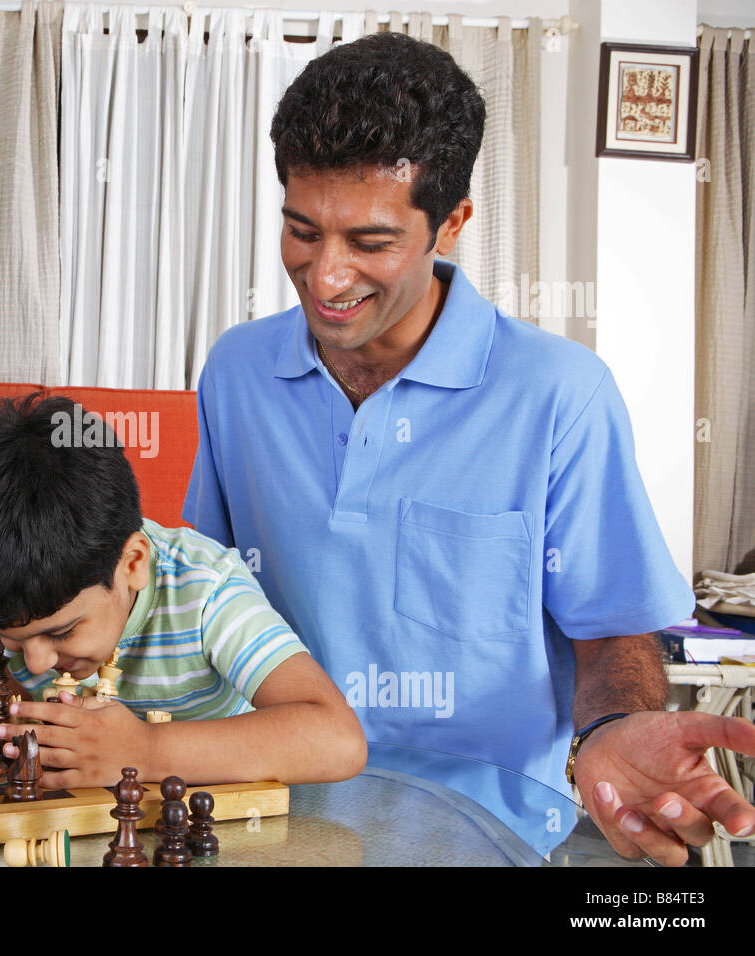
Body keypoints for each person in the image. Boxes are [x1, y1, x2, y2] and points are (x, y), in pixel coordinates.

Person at [182, 32, 755, 864]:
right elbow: (202, 587)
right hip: (259, 814)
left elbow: (611, 629)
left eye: (370, 243)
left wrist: (616, 725)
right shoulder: (238, 371)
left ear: (451, 223)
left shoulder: (559, 394)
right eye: (302, 231)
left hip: (480, 832)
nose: (327, 276)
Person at [0, 395, 366, 787]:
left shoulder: (206, 591)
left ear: (133, 562)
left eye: (64, 631)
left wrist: (147, 750)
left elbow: (337, 740)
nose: (38, 658)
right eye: (10, 639)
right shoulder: (7, 590)